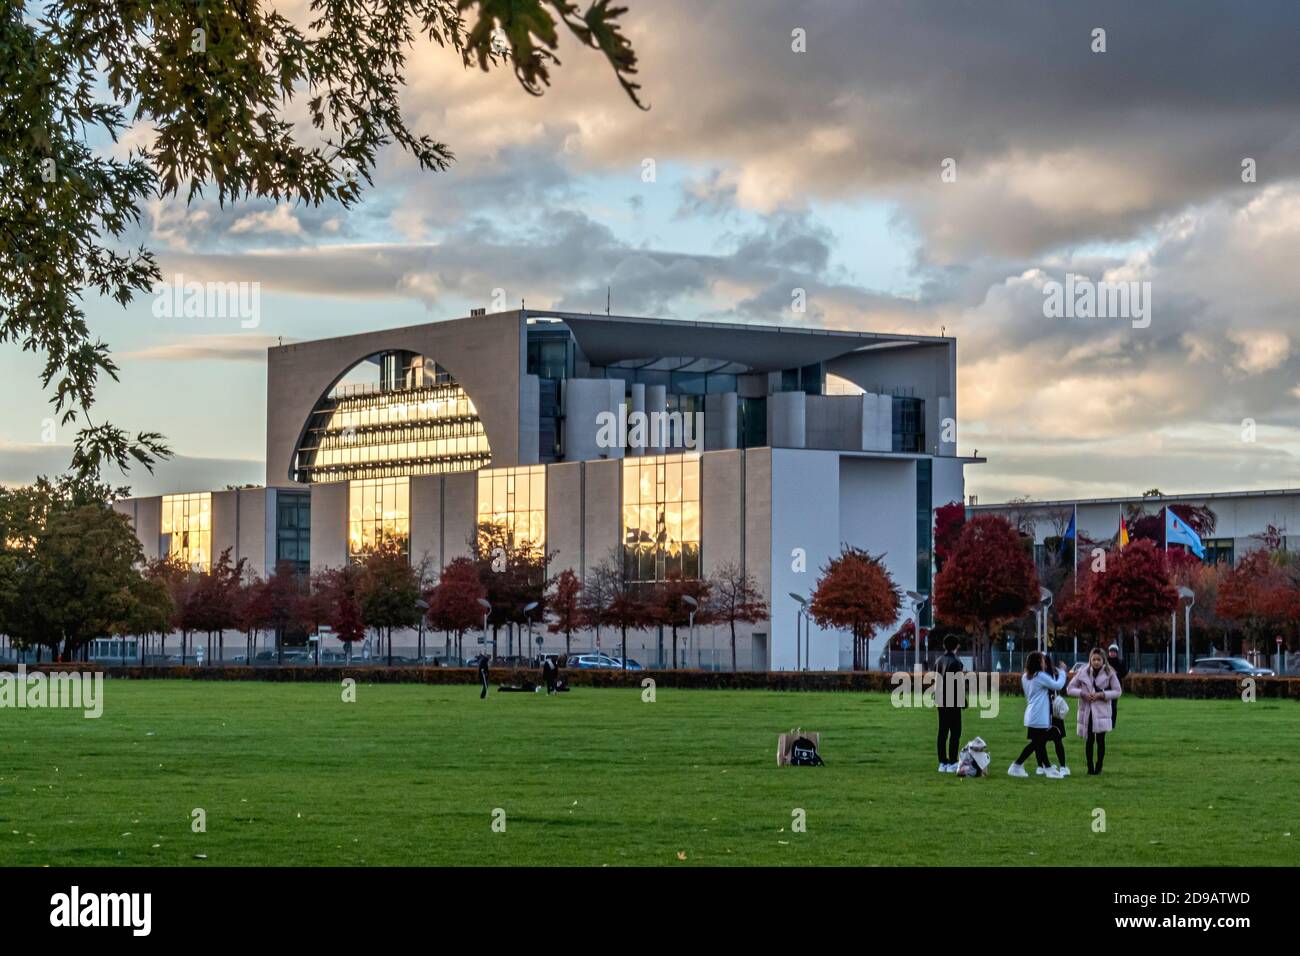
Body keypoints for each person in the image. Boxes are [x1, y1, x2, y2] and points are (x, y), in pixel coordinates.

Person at [1008, 651, 1066, 778]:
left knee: (1038, 743)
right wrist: (1062, 672)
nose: (1045, 663)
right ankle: (1016, 765)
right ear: (1039, 663)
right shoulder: (1040, 676)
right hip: (1040, 715)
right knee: (1037, 743)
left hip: (1031, 713)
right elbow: (1057, 685)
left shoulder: (1025, 676)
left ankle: (1048, 769)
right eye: (1043, 661)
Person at [1067, 646, 1122, 774]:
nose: (1096, 662)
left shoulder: (1110, 673)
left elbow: (1118, 691)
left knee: (1101, 740)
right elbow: (1070, 689)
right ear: (1090, 660)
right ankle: (1090, 768)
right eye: (1094, 659)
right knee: (1089, 740)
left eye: (1099, 659)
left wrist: (1102, 695)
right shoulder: (1082, 672)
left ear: (1103, 660)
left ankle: (1099, 766)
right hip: (1087, 712)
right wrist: (1082, 694)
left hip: (1102, 712)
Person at [934, 635, 965, 773]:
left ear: (944, 645)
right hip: (953, 701)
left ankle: (942, 762)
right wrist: (962, 700)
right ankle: (952, 761)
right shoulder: (956, 662)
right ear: (957, 645)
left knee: (942, 732)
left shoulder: (938, 661)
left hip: (941, 700)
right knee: (955, 732)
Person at [1041, 653, 1071, 776]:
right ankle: (1061, 766)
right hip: (1051, 711)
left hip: (1045, 711)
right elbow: (1058, 685)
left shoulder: (1039, 675)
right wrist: (1063, 671)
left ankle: (1044, 765)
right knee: (1054, 740)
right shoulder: (1050, 675)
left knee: (1041, 741)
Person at [1106, 643, 1128, 728]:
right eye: (1111, 651)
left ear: (1117, 653)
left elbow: (1124, 673)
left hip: (1115, 687)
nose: (1112, 653)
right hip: (1105, 686)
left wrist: (1117, 674)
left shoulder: (1120, 662)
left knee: (1113, 706)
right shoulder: (1105, 661)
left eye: (1114, 652)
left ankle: (1113, 723)